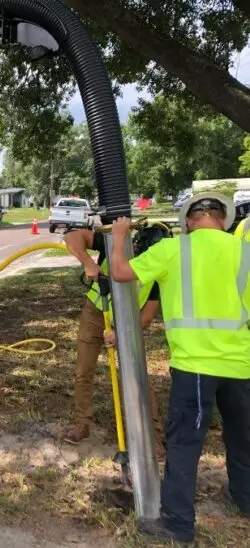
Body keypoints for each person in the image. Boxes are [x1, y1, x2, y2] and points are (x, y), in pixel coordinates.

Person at [110, 192, 250, 544]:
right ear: (224, 220)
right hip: (241, 364)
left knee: (185, 444)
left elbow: (121, 272)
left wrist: (119, 238)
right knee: (243, 438)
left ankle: (178, 524)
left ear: (189, 220)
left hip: (195, 366)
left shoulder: (173, 250)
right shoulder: (245, 253)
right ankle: (245, 500)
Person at [63, 225, 167, 457]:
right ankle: (82, 423)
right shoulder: (115, 244)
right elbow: (72, 236)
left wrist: (120, 334)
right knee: (83, 371)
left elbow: (147, 317)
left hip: (128, 320)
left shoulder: (161, 269)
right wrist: (88, 263)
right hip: (95, 311)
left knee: (137, 374)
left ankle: (152, 435)